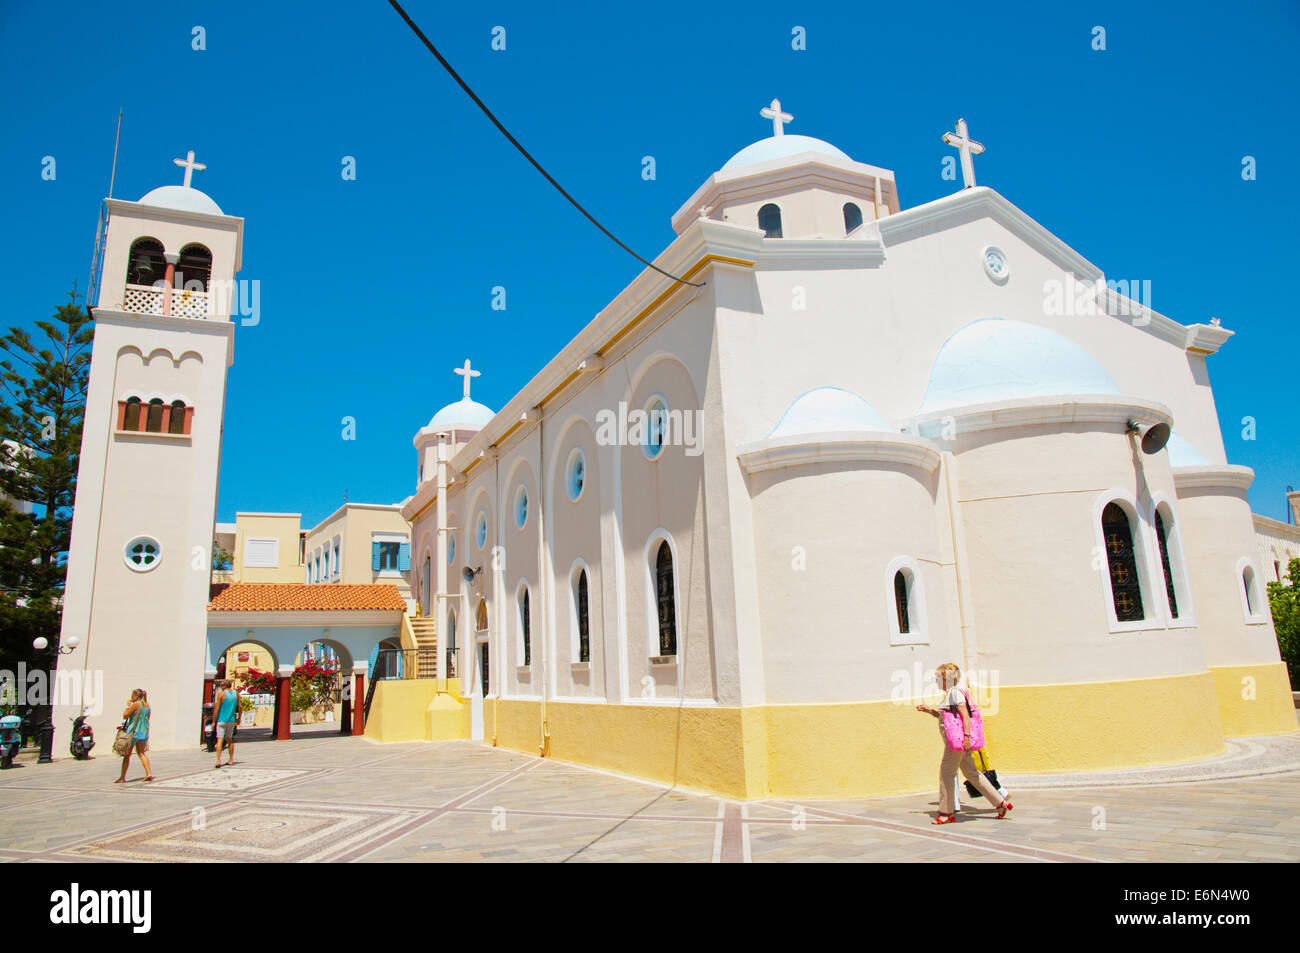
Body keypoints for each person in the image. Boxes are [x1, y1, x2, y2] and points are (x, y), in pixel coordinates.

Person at [916, 662, 1013, 824]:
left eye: (938, 678)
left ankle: (946, 812)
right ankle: (1001, 802)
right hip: (959, 742)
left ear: (946, 679)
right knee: (973, 774)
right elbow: (947, 717)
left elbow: (965, 716)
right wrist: (929, 711)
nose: (936, 681)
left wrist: (967, 737)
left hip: (957, 743)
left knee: (946, 773)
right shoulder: (952, 693)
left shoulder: (955, 693)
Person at [115, 688, 153, 783]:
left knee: (127, 756)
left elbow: (125, 715)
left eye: (132, 696)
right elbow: (147, 718)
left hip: (134, 733)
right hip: (143, 733)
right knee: (141, 753)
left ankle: (122, 777)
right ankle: (148, 773)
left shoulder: (136, 705)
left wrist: (128, 706)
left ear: (136, 696)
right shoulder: (147, 706)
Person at [213, 679, 240, 768]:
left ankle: (218, 760)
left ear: (224, 686)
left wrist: (214, 721)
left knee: (220, 740)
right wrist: (239, 718)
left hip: (222, 720)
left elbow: (217, 709)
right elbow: (240, 706)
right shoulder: (236, 694)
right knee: (230, 740)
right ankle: (231, 759)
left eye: (221, 686)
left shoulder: (221, 694)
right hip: (231, 720)